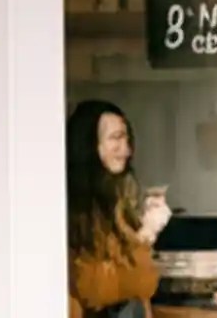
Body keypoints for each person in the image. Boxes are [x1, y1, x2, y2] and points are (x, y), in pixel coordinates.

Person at [66, 100, 170, 318]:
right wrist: (145, 235)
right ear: (89, 145)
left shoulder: (120, 201)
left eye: (127, 139)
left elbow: (145, 286)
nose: (127, 150)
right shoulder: (77, 211)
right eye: (116, 138)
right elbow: (98, 291)